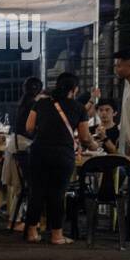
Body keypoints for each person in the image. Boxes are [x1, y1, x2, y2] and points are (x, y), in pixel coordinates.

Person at [22, 72, 95, 245]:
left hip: (39, 152)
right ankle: (57, 235)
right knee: (57, 194)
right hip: (63, 155)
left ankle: (31, 232)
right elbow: (84, 137)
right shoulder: (79, 108)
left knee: (36, 193)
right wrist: (93, 145)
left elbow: (29, 127)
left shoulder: (41, 103)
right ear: (74, 90)